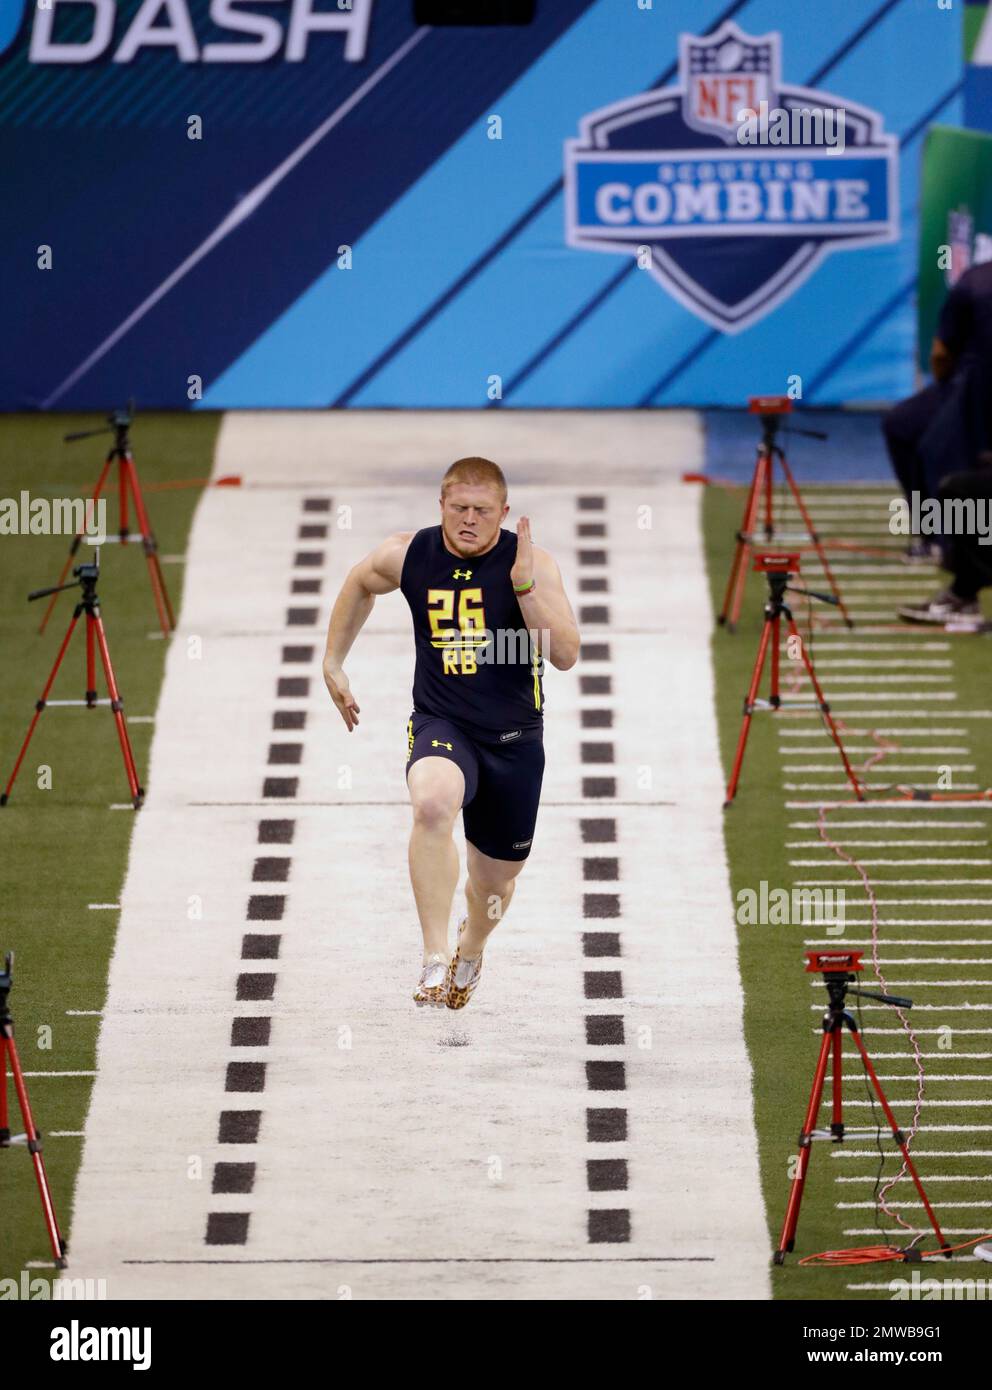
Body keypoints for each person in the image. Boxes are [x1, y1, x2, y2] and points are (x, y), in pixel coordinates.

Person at [322, 457, 580, 1009]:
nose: (468, 520)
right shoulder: (409, 552)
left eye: (481, 511)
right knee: (433, 804)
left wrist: (526, 589)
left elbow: (564, 654)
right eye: (458, 508)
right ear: (440, 505)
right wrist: (333, 662)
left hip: (514, 741)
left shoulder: (533, 564)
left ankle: (471, 948)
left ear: (503, 513)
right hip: (443, 723)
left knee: (494, 884)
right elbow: (361, 581)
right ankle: (434, 958)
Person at [883, 260, 992, 564]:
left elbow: (940, 353)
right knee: (905, 426)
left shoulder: (975, 280)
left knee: (940, 452)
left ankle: (961, 548)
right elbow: (943, 353)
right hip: (967, 384)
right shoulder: (976, 282)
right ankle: (936, 535)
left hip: (972, 389)